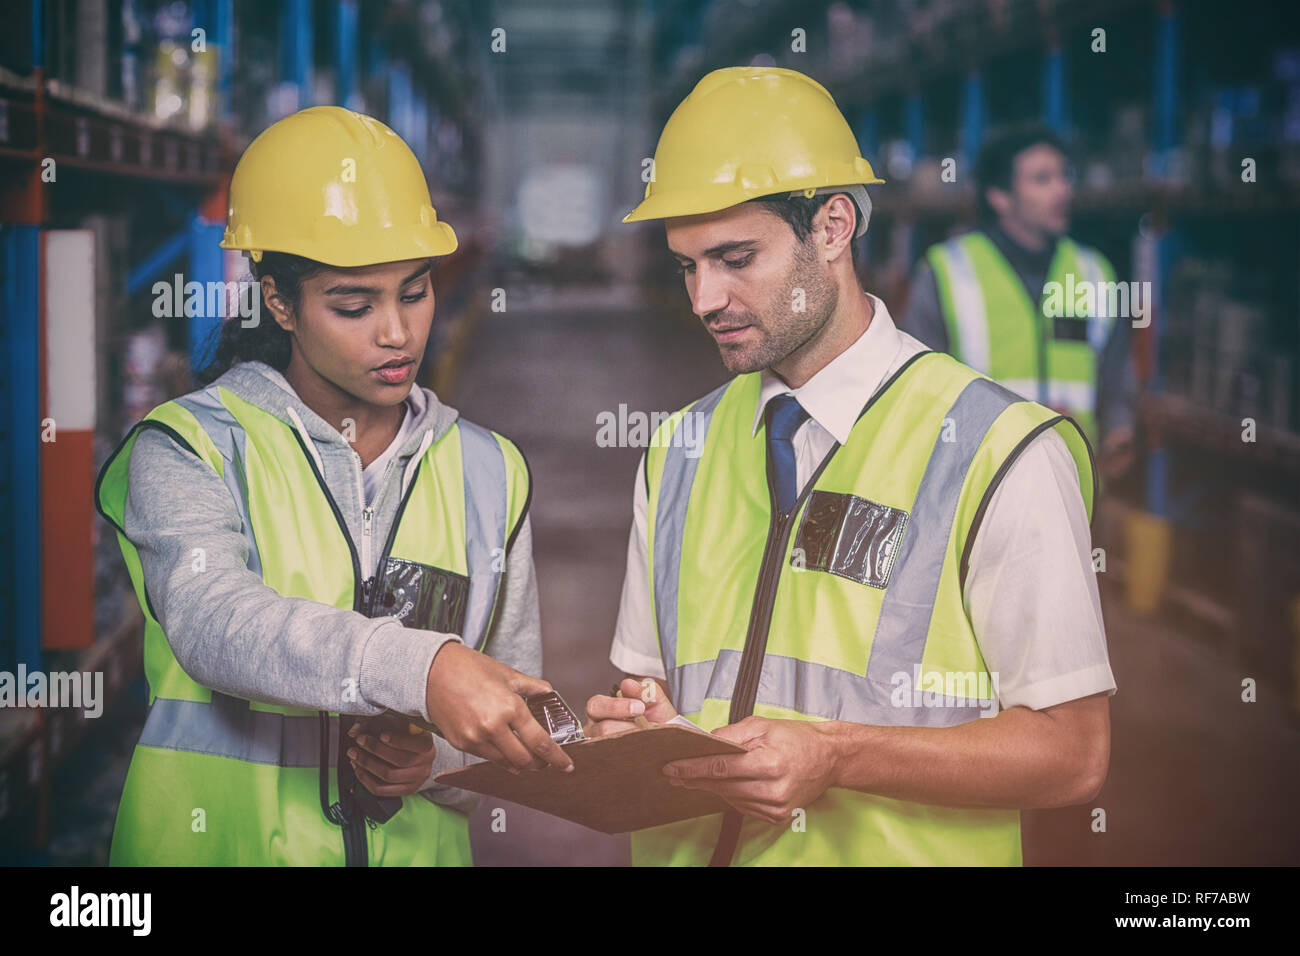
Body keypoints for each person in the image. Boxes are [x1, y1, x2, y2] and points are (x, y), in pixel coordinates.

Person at [585, 67, 1115, 866]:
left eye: (734, 258)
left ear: (833, 229)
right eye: (687, 265)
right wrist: (638, 730)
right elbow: (650, 690)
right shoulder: (678, 450)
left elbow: (1073, 754)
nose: (703, 298)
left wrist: (841, 756)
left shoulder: (1000, 452)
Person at [94, 106, 572, 867]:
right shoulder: (193, 449)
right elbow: (215, 622)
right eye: (354, 306)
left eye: (415, 293)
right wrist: (423, 668)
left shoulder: (488, 473)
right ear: (279, 302)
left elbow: (500, 729)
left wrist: (437, 767)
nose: (398, 333)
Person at [902, 124, 1137, 478]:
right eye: (1042, 179)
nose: (1062, 190)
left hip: (1074, 481)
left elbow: (1116, 371)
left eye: (1064, 176)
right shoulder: (948, 271)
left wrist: (1120, 430)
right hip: (982, 486)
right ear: (999, 196)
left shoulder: (1093, 271)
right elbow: (920, 393)